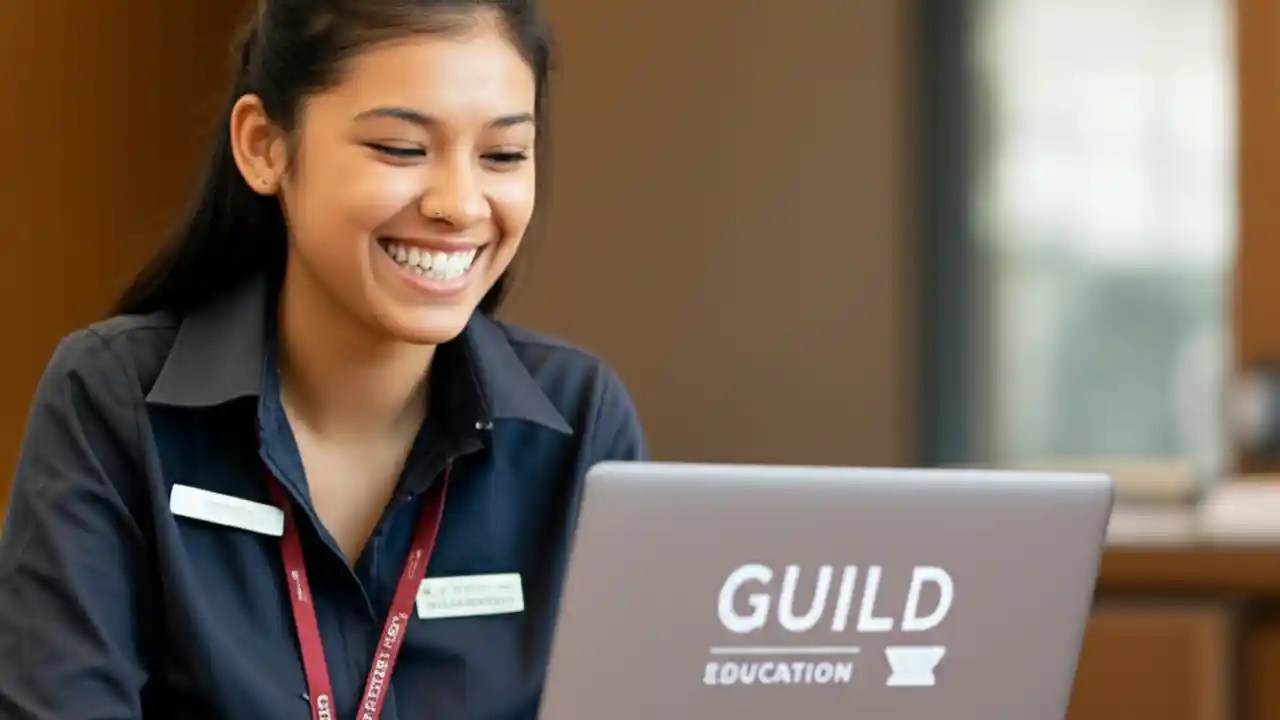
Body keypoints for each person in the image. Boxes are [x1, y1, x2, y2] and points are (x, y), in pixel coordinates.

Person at [0, 1, 647, 717]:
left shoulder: (580, 422)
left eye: (502, 155)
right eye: (402, 148)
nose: (460, 205)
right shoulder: (113, 400)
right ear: (265, 147)